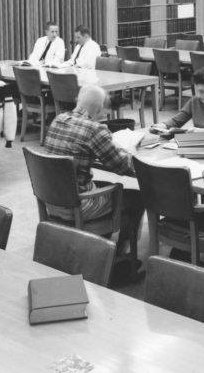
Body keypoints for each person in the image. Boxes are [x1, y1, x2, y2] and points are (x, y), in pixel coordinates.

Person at [42, 85, 145, 274]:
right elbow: (123, 166)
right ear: (98, 110)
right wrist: (130, 150)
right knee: (136, 197)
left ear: (78, 101)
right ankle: (119, 258)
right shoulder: (94, 129)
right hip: (78, 206)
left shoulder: (58, 120)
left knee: (103, 186)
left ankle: (101, 243)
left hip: (51, 199)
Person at [151, 68, 204, 139]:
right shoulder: (195, 101)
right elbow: (176, 120)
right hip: (197, 145)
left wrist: (203, 132)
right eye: (196, 91)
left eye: (202, 91)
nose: (198, 95)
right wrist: (163, 126)